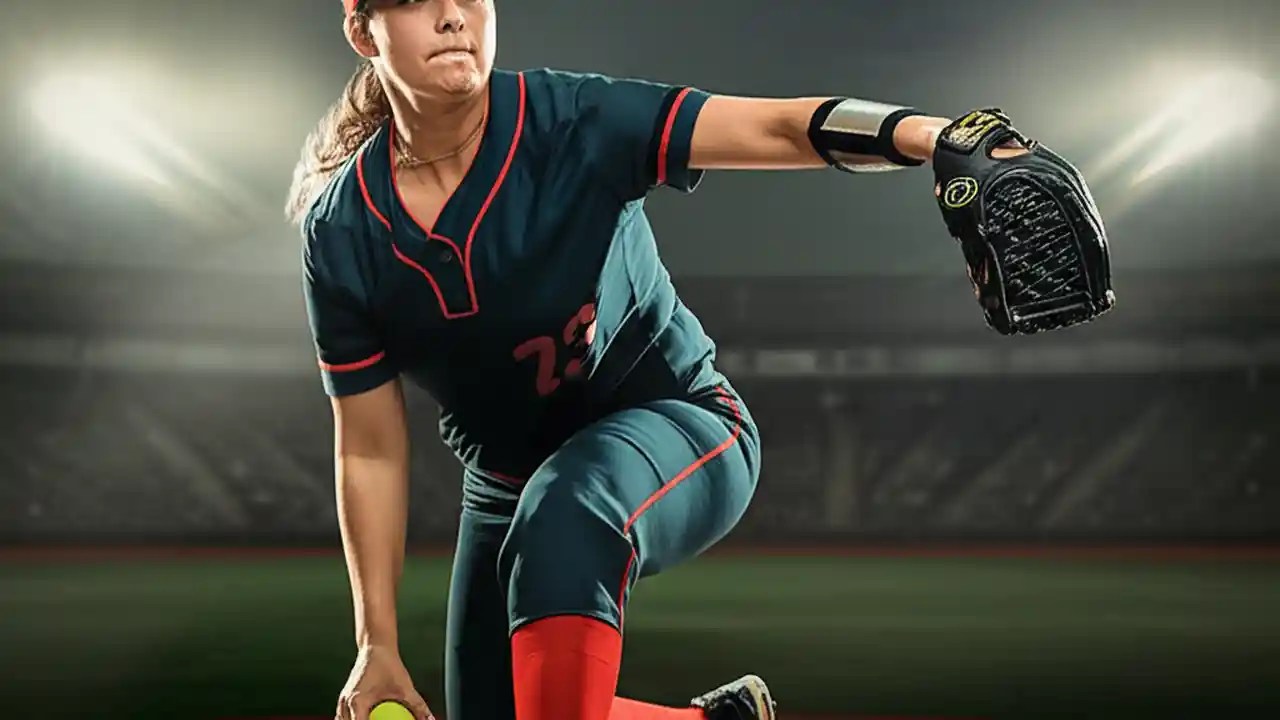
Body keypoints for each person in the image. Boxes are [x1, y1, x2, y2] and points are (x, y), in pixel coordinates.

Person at [285, 2, 987, 720]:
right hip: (504, 489)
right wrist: (376, 642)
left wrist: (942, 138)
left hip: (682, 424)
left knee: (566, 509)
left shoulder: (576, 120)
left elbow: (779, 125)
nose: (452, 16)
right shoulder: (341, 232)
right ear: (361, 30)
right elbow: (369, 449)